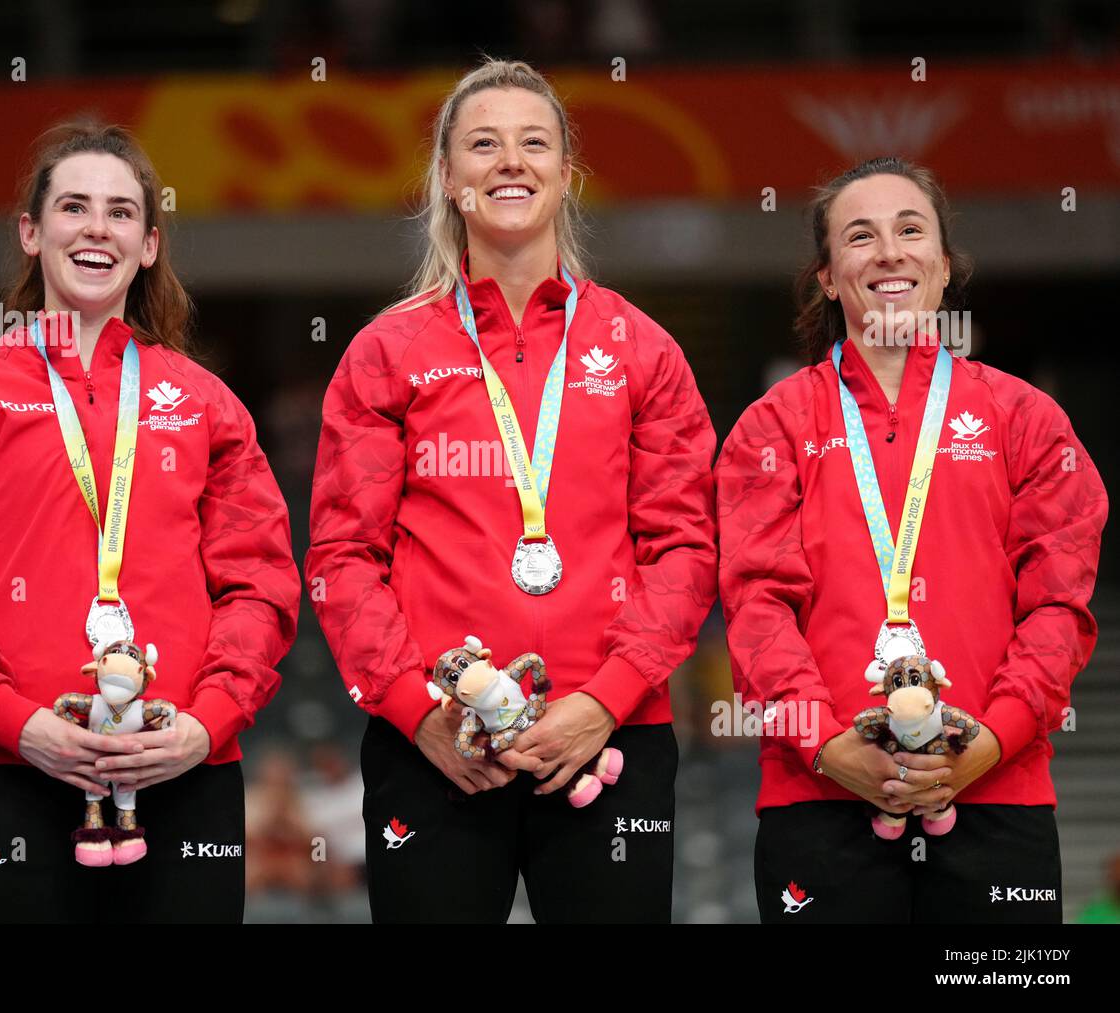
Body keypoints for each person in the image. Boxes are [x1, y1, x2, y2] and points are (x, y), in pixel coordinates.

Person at [305, 58, 717, 923]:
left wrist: (605, 698)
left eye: (534, 143)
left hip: (611, 741)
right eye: (483, 145)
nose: (510, 162)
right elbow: (343, 558)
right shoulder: (387, 352)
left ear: (567, 173)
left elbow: (684, 548)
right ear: (448, 177)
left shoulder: (642, 350)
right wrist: (418, 712)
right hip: (435, 748)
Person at [0, 122, 300, 923]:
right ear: (31, 232)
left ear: (149, 245)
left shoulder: (207, 403)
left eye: (121, 212)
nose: (97, 228)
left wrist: (205, 725)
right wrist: (17, 723)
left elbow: (262, 584)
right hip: (7, 771)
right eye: (73, 207)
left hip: (184, 774)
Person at [715, 156, 1107, 923]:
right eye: (860, 236)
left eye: (910, 229)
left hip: (997, 795)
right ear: (829, 277)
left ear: (945, 264)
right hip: (820, 799)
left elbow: (1059, 607)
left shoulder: (1025, 420)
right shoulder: (774, 426)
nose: (889, 252)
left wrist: (992, 740)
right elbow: (756, 611)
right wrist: (828, 746)